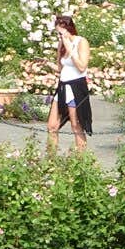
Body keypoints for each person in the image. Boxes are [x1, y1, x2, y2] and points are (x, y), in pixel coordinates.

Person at [45, 14, 92, 153]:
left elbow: (82, 67)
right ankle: (51, 159)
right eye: (57, 34)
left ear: (69, 29)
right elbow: (61, 68)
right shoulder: (61, 44)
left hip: (76, 87)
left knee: (76, 126)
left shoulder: (81, 42)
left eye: (61, 33)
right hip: (62, 87)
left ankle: (81, 158)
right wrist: (48, 63)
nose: (59, 37)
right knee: (52, 126)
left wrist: (70, 49)